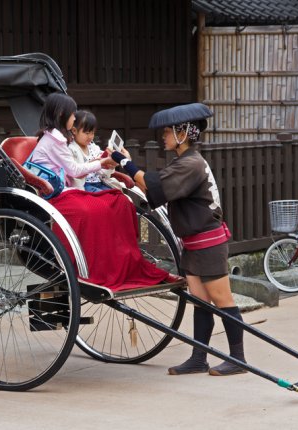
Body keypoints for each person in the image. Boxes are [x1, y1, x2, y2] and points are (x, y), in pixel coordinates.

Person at [110, 102, 247, 376]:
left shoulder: (192, 163)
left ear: (183, 133)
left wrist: (123, 160)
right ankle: (199, 357)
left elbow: (154, 185)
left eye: (168, 131)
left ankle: (238, 358)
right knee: (199, 300)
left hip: (208, 243)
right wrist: (127, 170)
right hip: (194, 243)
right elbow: (157, 189)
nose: (164, 136)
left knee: (222, 299)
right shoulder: (184, 161)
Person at [30, 93, 171, 290]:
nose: (74, 118)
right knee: (92, 210)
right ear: (62, 114)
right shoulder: (55, 141)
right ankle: (93, 266)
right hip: (56, 193)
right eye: (72, 115)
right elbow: (75, 170)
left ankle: (121, 261)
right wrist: (101, 162)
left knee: (120, 202)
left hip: (70, 188)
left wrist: (105, 161)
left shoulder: (61, 139)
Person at [68, 110, 124, 192]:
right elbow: (74, 171)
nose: (90, 137)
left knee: (118, 196)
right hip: (84, 185)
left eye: (93, 133)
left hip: (100, 182)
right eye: (87, 133)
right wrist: (98, 163)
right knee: (106, 199)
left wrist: (109, 165)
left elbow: (103, 170)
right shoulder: (71, 149)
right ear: (74, 131)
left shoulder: (93, 147)